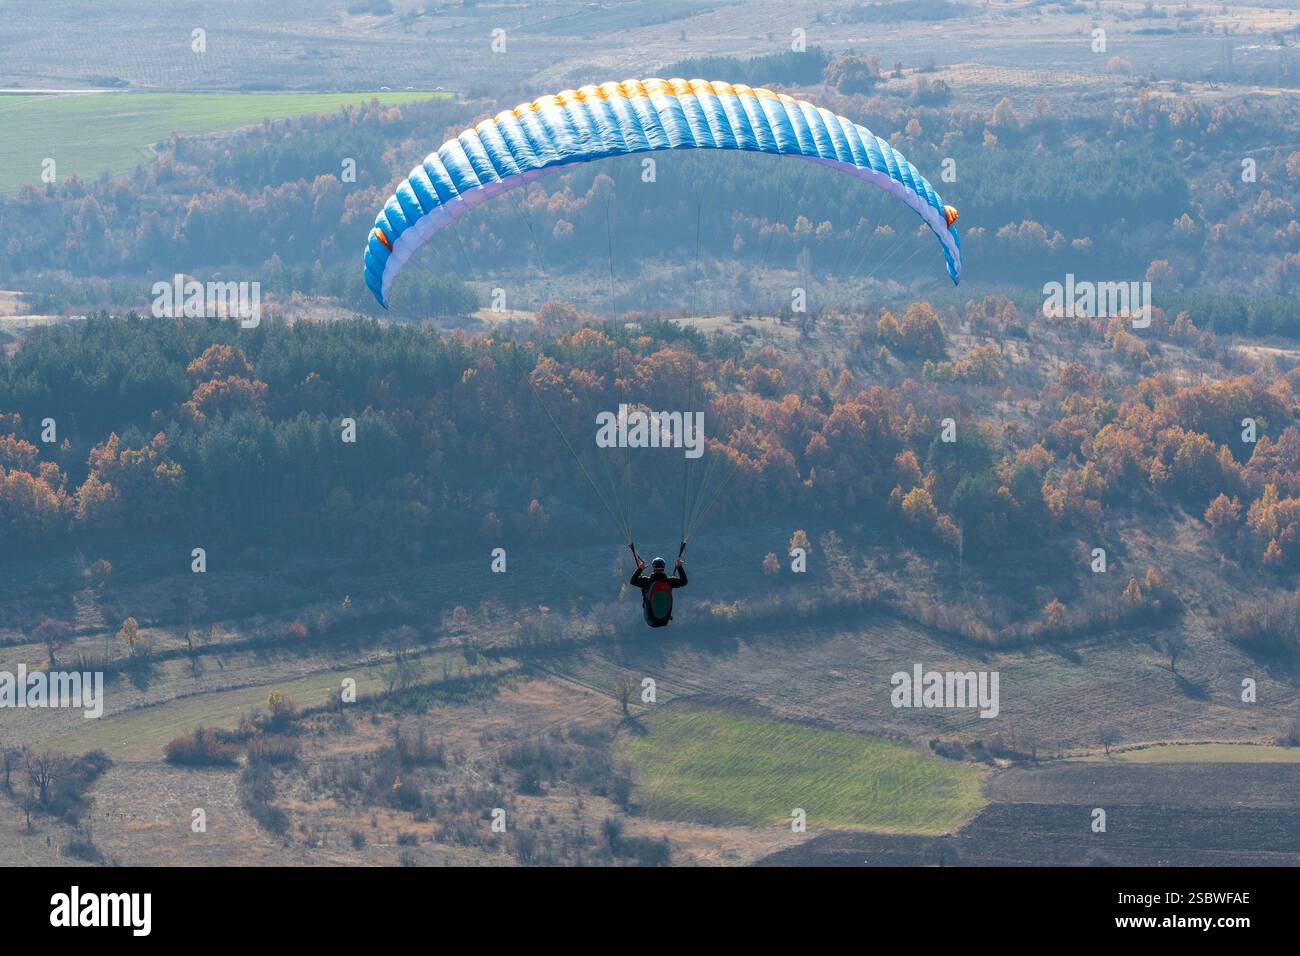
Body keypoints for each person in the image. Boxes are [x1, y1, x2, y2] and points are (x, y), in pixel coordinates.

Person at [630, 553, 687, 628]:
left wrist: (640, 569)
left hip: (651, 620)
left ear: (653, 568)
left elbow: (632, 581)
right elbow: (684, 581)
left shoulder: (646, 581)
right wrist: (679, 567)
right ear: (664, 568)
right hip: (665, 620)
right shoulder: (670, 581)